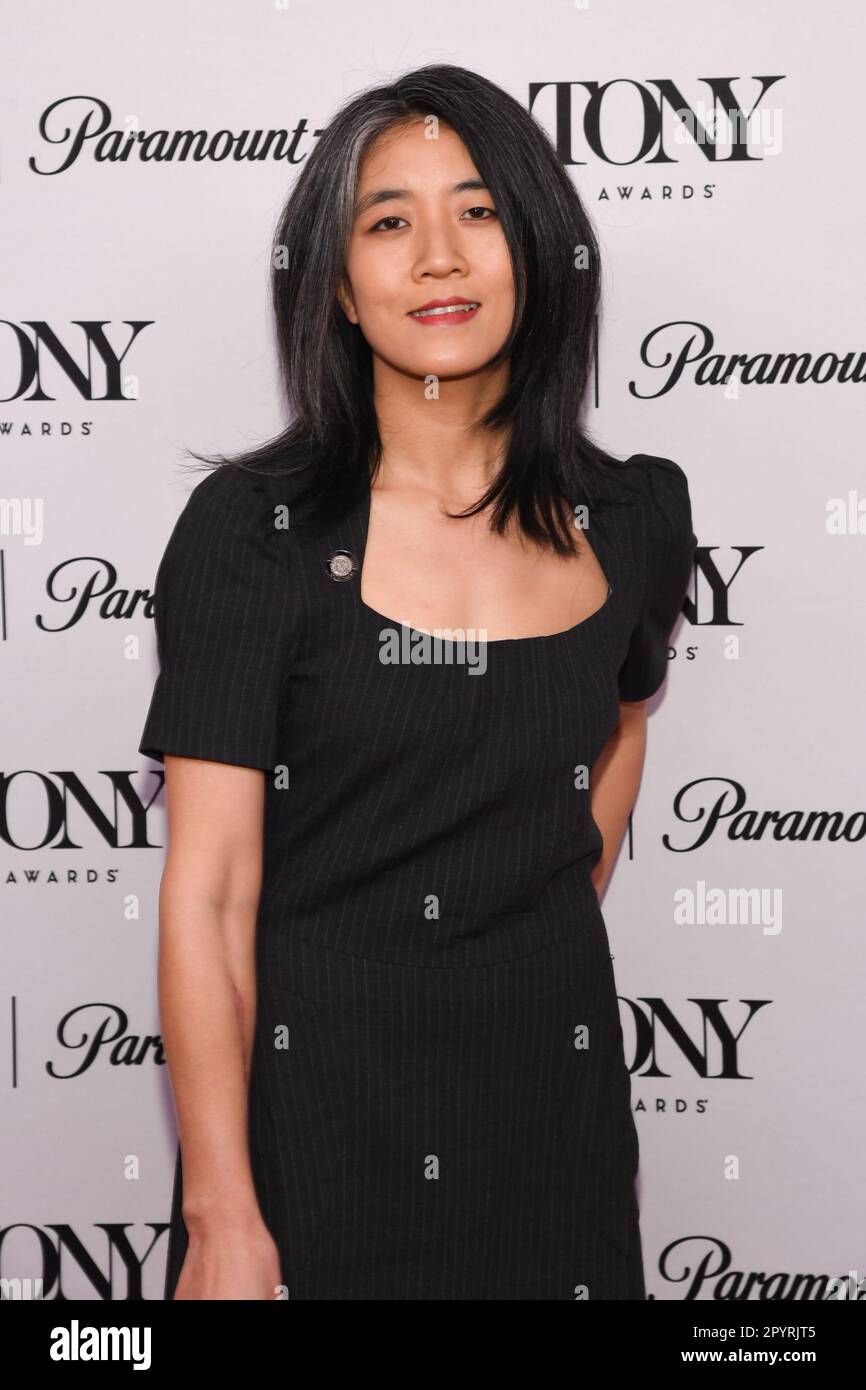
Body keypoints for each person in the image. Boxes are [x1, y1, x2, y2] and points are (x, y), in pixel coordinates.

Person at [139, 63, 697, 1301]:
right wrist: (222, 1215)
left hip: (552, 1119)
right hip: (313, 1116)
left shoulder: (633, 514)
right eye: (388, 223)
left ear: (540, 246)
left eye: (479, 210)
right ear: (336, 285)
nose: (437, 257)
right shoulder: (256, 533)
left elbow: (614, 723)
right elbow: (212, 891)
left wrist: (521, 916)